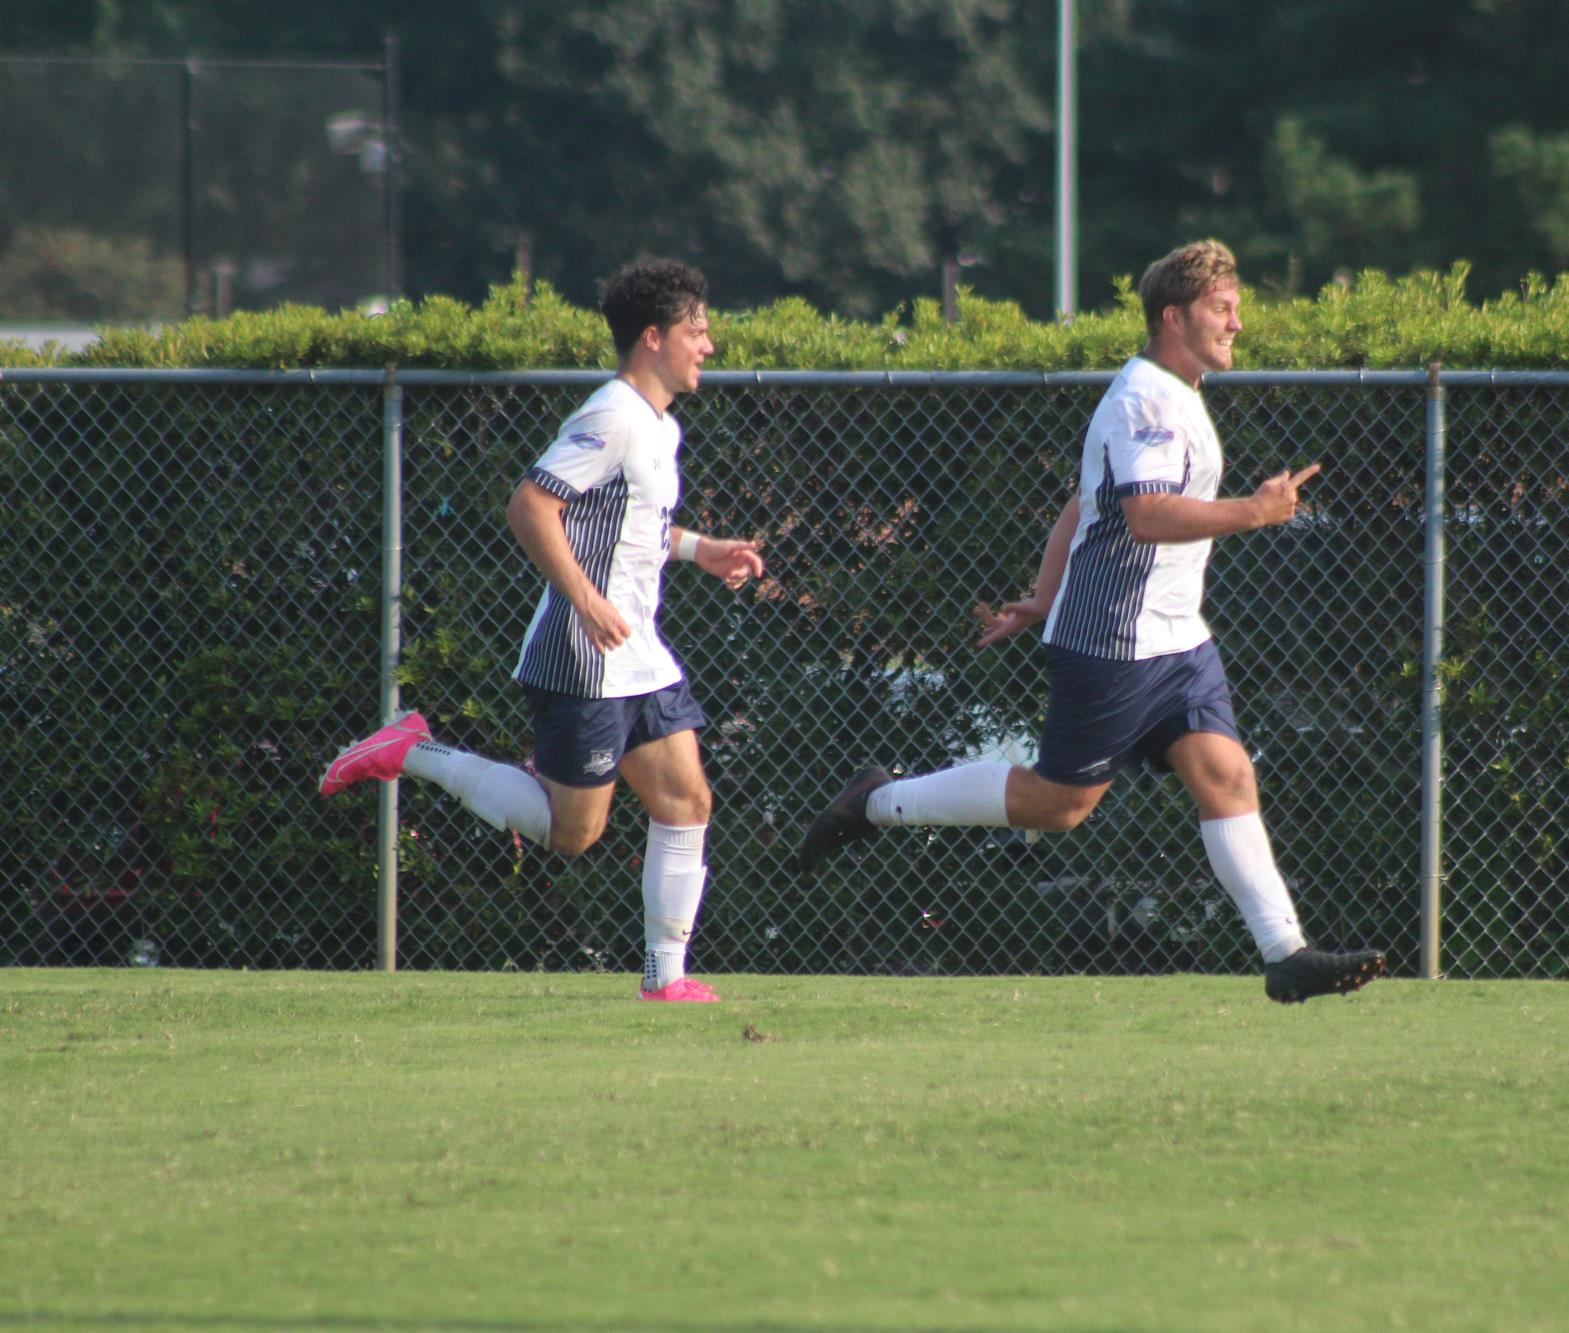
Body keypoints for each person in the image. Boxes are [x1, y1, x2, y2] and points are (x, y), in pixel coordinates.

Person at [798, 240, 1384, 1003]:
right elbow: (1142, 516)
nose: (1237, 323)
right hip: (1116, 640)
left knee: (1228, 774)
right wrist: (1257, 512)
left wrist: (1043, 593)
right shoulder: (1146, 398)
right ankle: (876, 800)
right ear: (1173, 316)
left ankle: (1286, 954)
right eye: (1222, 309)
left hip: (1178, 636)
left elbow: (1085, 501)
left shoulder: (1180, 391)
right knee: (1058, 805)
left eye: (1237, 309)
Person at [320, 259, 764, 1002]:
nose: (708, 345)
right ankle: (412, 748)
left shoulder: (658, 426)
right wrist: (584, 599)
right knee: (573, 833)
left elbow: (632, 526)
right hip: (583, 657)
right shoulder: (612, 415)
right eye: (697, 330)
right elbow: (531, 506)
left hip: (639, 654)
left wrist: (699, 549)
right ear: (653, 338)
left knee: (687, 801)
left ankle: (666, 978)